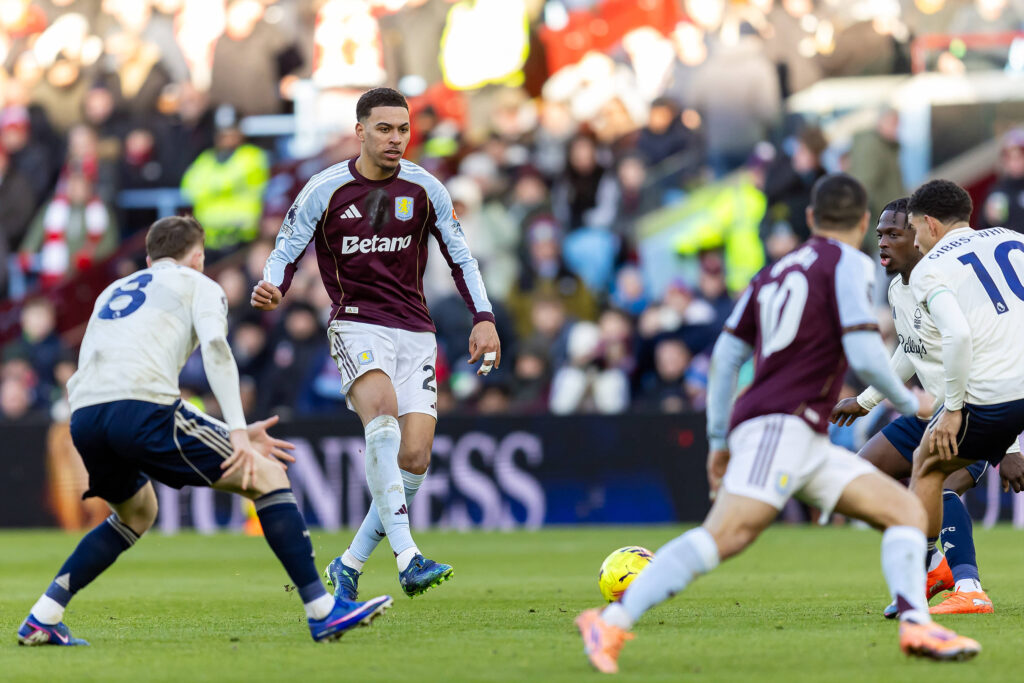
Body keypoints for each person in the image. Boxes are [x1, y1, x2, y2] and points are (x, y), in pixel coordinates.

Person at [574, 174, 979, 674]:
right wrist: (905, 400)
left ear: (810, 219)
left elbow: (725, 356)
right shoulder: (848, 264)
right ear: (858, 222)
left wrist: (719, 439)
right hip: (779, 426)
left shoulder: (773, 272)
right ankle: (610, 621)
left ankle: (918, 623)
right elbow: (862, 351)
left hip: (796, 432)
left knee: (905, 514)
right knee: (725, 536)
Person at [17, 216, 392, 647]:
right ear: (197, 256)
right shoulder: (200, 285)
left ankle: (44, 615)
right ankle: (323, 611)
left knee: (136, 514)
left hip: (82, 416)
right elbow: (216, 350)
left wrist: (233, 429)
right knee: (268, 475)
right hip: (141, 407)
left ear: (148, 257)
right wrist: (235, 430)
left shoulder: (112, 291)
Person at [251, 87, 500, 601]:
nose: (396, 139)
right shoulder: (325, 189)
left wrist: (484, 317)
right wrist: (274, 283)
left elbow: (461, 257)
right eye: (384, 129)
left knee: (414, 457)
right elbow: (287, 246)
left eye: (403, 129)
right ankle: (409, 559)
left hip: (416, 330)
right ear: (360, 130)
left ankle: (349, 563)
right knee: (381, 419)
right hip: (356, 322)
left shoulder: (426, 187)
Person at [831, 197, 1024, 616]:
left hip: (970, 413)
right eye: (880, 233)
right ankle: (935, 566)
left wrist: (1007, 448)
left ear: (920, 237)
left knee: (941, 484)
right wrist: (866, 401)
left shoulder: (947, 280)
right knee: (861, 479)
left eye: (895, 234)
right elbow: (909, 350)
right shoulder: (901, 287)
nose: (882, 241)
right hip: (931, 416)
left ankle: (969, 585)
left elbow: (990, 356)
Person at [903, 179, 1024, 615]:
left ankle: (958, 582)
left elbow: (956, 336)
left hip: (996, 392)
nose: (914, 240)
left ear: (931, 225)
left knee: (928, 468)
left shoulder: (931, 268)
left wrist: (953, 409)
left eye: (915, 229)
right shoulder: (1014, 238)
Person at [979, 128, 1024, 232]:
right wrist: (989, 220)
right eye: (1009, 157)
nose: (1015, 163)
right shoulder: (997, 191)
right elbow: (983, 228)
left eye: (1019, 157)